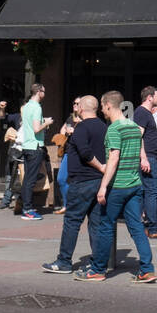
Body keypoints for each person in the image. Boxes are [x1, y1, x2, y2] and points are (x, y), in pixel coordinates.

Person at [74, 90, 156, 284]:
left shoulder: (114, 129)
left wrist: (103, 187)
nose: (102, 110)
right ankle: (147, 269)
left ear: (109, 105)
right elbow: (139, 152)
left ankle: (97, 270)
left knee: (105, 227)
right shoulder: (135, 128)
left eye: (102, 106)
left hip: (117, 186)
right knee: (136, 228)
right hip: (135, 184)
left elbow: (114, 158)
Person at [43, 95, 107, 273]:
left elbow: (85, 153)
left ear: (81, 109)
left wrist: (100, 166)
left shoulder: (81, 128)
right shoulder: (104, 127)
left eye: (78, 105)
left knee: (72, 221)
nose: (76, 107)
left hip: (82, 181)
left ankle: (64, 261)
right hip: (98, 182)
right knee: (95, 223)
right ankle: (97, 262)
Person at [134, 86, 157, 238]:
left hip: (150, 156)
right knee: (150, 192)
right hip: (148, 157)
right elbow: (138, 136)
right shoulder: (142, 112)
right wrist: (143, 158)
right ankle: (154, 228)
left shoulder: (145, 113)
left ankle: (147, 226)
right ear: (149, 97)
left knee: (146, 191)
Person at [19, 83, 54, 220]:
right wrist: (47, 122)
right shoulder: (37, 107)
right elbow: (36, 129)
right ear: (39, 92)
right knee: (31, 180)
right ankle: (27, 209)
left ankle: (26, 206)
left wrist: (41, 121)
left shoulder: (26, 106)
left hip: (27, 146)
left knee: (27, 178)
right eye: (43, 91)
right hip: (35, 147)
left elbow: (29, 124)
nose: (45, 94)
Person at [0, 109, 22, 210]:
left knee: (22, 178)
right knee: (10, 175)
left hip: (27, 151)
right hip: (15, 150)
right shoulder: (17, 117)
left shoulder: (34, 119)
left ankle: (19, 202)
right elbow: (2, 118)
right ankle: (6, 200)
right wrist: (2, 109)